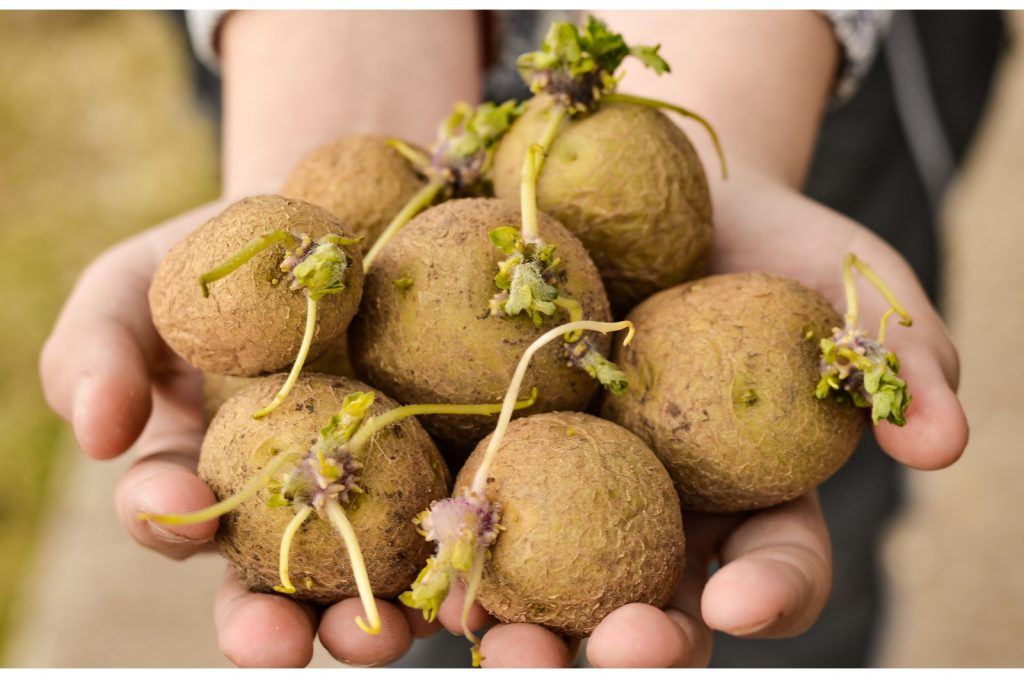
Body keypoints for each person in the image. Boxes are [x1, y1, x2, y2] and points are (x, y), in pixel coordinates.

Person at [39, 10, 977, 668]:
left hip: (803, 89)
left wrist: (741, 63)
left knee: (787, 607)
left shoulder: (596, 199)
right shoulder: (338, 305)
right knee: (426, 630)